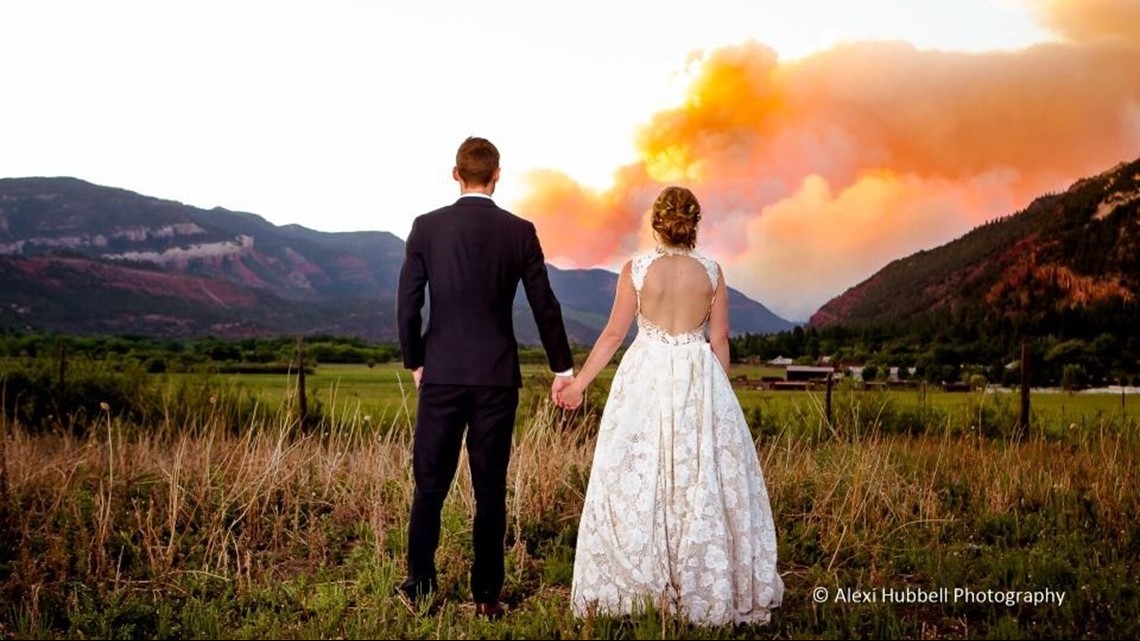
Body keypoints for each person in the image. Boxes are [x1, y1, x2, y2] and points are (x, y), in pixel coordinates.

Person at [556, 185, 784, 626]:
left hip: (646, 379)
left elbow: (611, 336)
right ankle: (698, 579)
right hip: (699, 378)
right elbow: (719, 340)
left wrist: (579, 382)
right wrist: (721, 398)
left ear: (657, 222)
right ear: (694, 223)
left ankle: (638, 585)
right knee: (702, 477)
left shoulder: (637, 270)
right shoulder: (713, 273)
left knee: (639, 473)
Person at [396, 136, 575, 620]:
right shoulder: (519, 231)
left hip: (442, 374)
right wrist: (563, 368)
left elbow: (408, 303)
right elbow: (545, 304)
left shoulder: (427, 228)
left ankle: (420, 587)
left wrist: (416, 360)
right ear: (497, 175)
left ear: (456, 174)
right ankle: (487, 597)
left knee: (429, 484)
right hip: (497, 377)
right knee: (490, 488)